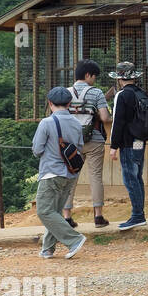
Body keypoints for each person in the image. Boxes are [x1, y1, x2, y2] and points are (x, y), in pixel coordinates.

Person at [34, 87, 87, 259]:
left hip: (51, 173)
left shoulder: (46, 123)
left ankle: (74, 239)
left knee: (44, 211)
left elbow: (37, 149)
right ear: (70, 104)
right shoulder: (76, 123)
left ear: (50, 103)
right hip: (70, 174)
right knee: (55, 211)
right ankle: (48, 249)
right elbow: (79, 148)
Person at [61, 59, 112, 229]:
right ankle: (98, 217)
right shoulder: (96, 93)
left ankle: (67, 217)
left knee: (70, 177)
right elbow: (105, 118)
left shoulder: (65, 93)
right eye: (94, 76)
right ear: (88, 75)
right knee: (95, 177)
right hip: (94, 140)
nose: (94, 79)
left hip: (71, 142)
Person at [107, 61, 148, 231]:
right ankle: (139, 213)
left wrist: (113, 145)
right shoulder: (142, 94)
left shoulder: (122, 95)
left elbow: (118, 122)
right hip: (140, 140)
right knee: (137, 177)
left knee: (130, 178)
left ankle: (138, 215)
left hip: (127, 142)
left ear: (119, 79)